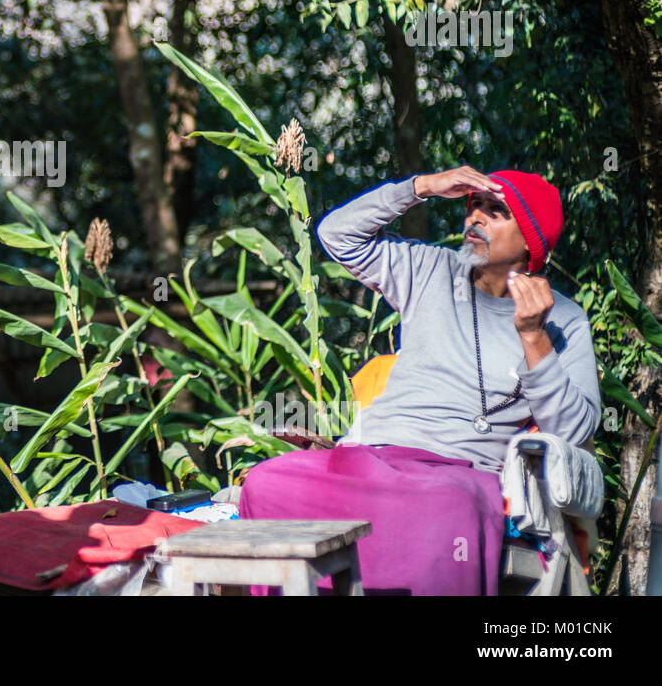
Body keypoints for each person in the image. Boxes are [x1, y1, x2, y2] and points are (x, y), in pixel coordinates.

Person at [237, 165, 600, 594]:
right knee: (267, 482)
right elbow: (335, 235)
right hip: (371, 456)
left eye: (495, 211)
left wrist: (533, 337)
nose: (475, 219)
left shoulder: (564, 320)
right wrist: (420, 187)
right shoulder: (430, 268)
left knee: (449, 511)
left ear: (531, 240)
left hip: (456, 475)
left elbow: (575, 431)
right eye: (474, 206)